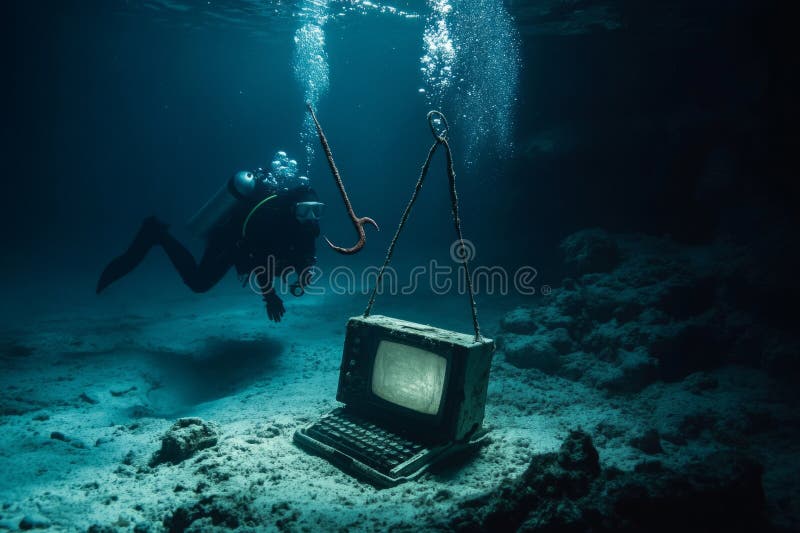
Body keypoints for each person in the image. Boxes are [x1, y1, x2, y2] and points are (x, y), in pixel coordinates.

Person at [96, 170, 324, 323]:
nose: (311, 216)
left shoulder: (307, 228)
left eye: (316, 209)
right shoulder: (270, 219)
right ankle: (157, 234)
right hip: (231, 239)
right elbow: (256, 258)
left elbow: (305, 256)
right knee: (199, 282)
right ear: (293, 207)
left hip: (256, 250)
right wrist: (270, 296)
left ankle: (157, 234)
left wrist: (305, 272)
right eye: (306, 209)